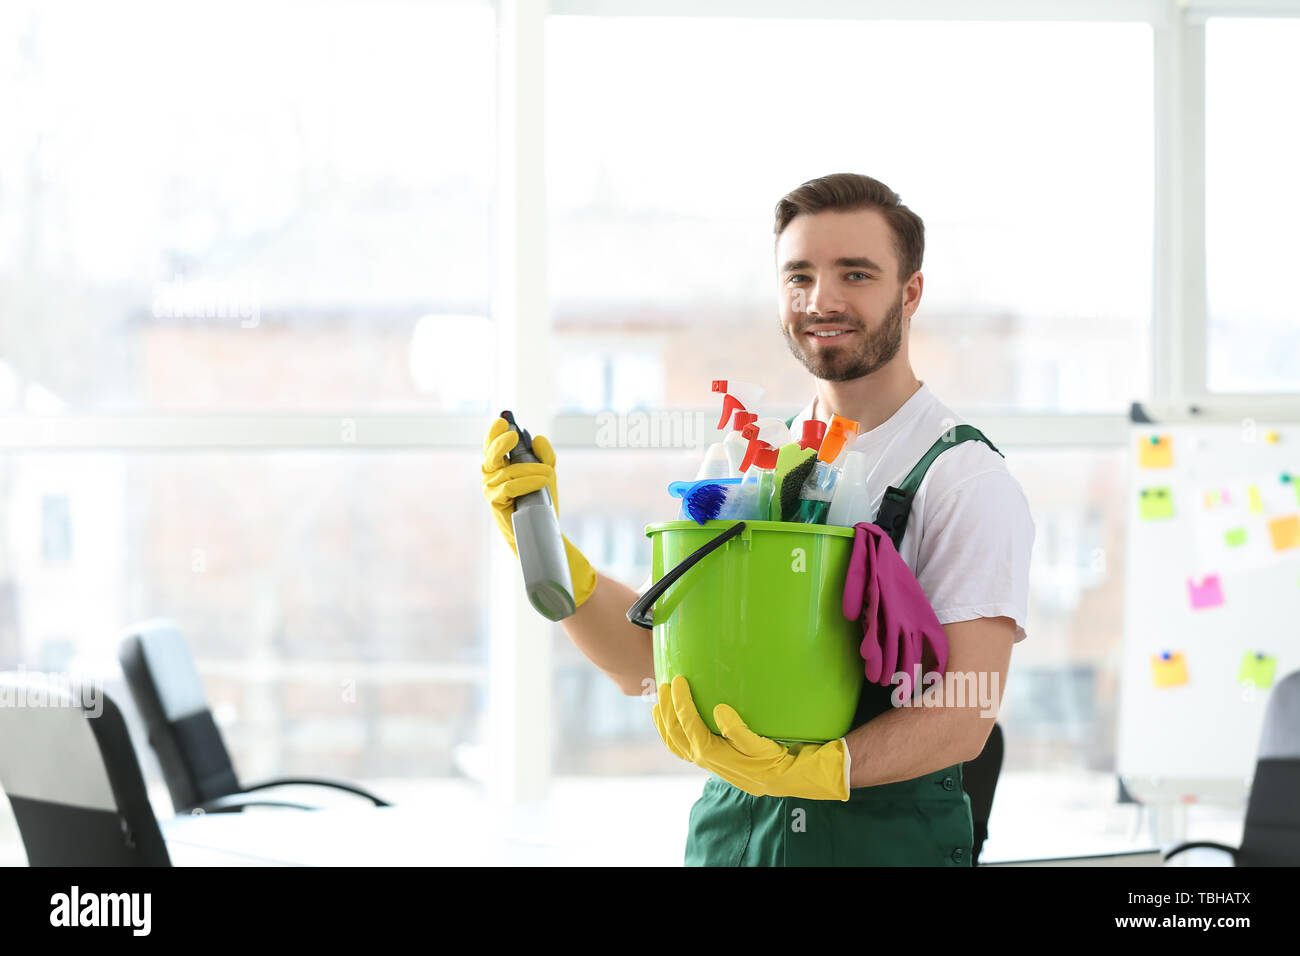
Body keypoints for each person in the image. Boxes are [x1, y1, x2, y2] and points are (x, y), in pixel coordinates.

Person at [481, 172, 1035, 866]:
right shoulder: (757, 468)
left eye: (855, 274)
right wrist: (544, 552)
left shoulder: (960, 477)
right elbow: (653, 669)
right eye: (798, 275)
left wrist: (816, 771)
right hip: (733, 839)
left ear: (910, 292)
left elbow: (963, 717)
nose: (821, 300)